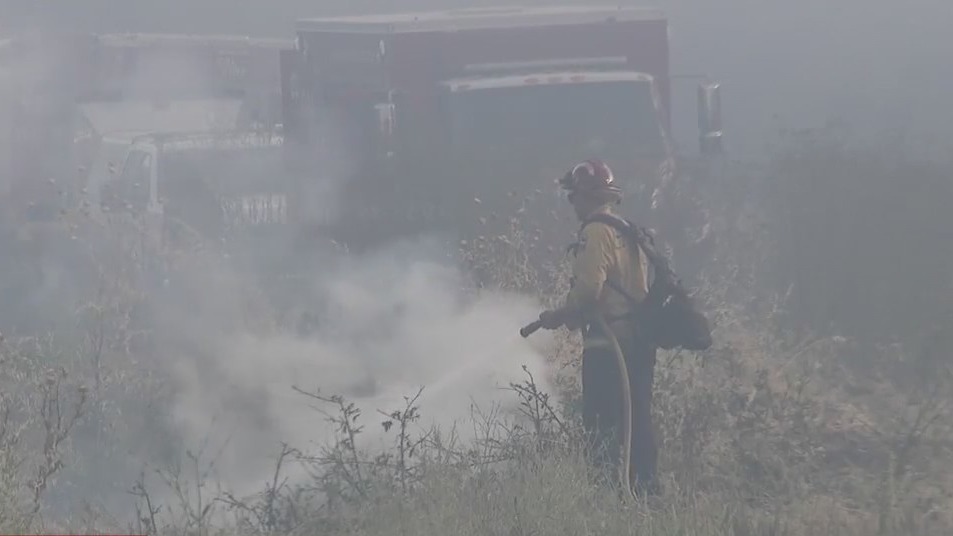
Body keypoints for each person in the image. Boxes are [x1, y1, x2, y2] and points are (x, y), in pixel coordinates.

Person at [536, 159, 660, 496]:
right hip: (638, 343)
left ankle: (608, 498)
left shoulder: (595, 231)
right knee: (637, 422)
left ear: (585, 196)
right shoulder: (625, 229)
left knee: (601, 427)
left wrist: (559, 314)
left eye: (573, 196)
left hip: (609, 346)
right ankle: (646, 495)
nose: (572, 203)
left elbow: (589, 291)